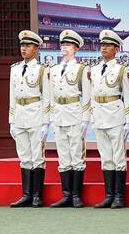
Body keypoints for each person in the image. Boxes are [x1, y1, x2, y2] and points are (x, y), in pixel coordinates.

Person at [90, 29, 129, 208]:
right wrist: (92, 116)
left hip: (115, 114)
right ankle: (108, 195)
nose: (104, 48)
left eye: (108, 45)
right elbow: (92, 94)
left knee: (118, 157)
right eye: (102, 45)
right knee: (105, 157)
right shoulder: (94, 69)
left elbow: (128, 97)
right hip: (99, 114)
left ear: (116, 49)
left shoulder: (122, 69)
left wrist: (128, 121)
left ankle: (119, 196)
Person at [8, 29, 50, 208]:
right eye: (22, 45)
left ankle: (37, 196)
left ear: (36, 49)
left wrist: (46, 122)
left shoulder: (42, 70)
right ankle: (26, 194)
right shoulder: (15, 69)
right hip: (20, 114)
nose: (23, 49)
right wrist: (11, 120)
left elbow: (47, 97)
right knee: (24, 156)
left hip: (35, 114)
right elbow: (12, 96)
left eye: (28, 46)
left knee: (37, 156)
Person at [48, 29, 88, 208]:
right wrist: (49, 117)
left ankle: (77, 195)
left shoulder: (81, 69)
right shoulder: (54, 70)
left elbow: (86, 96)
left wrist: (86, 119)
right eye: (63, 44)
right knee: (63, 155)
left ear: (76, 49)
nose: (64, 48)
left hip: (74, 112)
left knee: (76, 154)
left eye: (69, 45)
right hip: (59, 113)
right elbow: (50, 96)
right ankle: (66, 195)